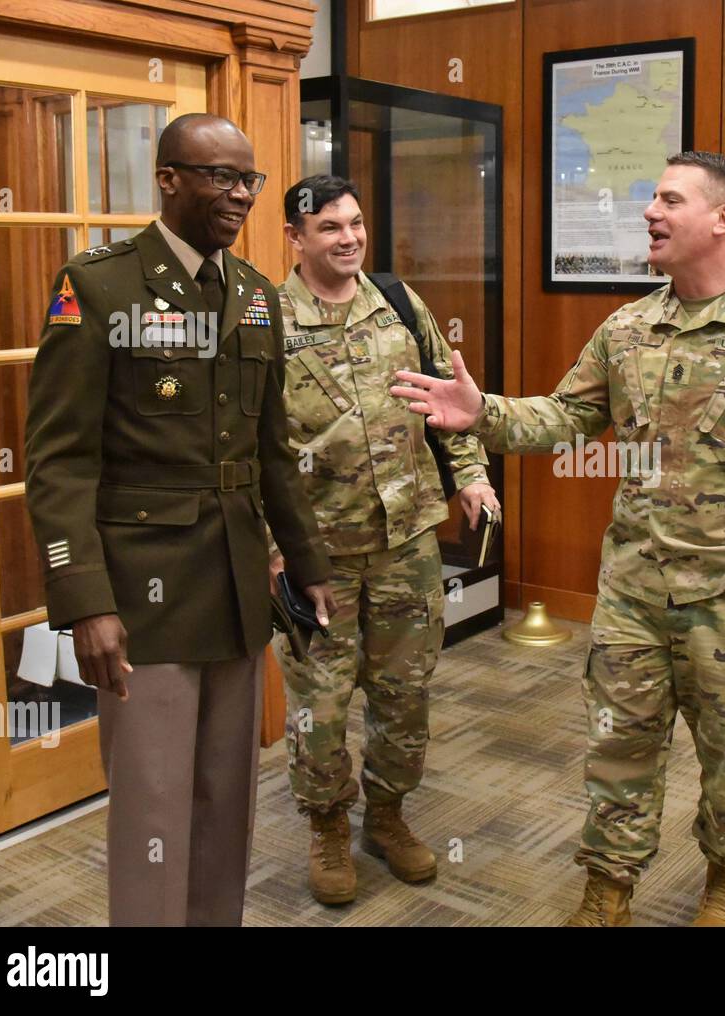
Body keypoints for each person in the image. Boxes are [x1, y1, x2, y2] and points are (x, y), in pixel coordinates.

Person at [392, 151, 725, 926]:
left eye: (668, 200)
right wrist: (479, 410)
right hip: (633, 592)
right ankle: (609, 890)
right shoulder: (627, 328)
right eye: (650, 199)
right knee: (619, 751)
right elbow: (564, 419)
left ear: (723, 219)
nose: (649, 213)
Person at [24, 113, 335, 926]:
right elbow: (59, 461)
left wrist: (309, 566)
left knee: (224, 798)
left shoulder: (258, 296)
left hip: (234, 589)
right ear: (167, 179)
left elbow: (273, 451)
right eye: (221, 177)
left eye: (250, 179)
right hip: (141, 599)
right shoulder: (98, 285)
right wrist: (84, 600)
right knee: (154, 806)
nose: (241, 195)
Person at [270, 175, 499, 904]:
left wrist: (472, 477)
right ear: (296, 238)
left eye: (356, 223)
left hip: (407, 543)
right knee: (322, 703)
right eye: (330, 227)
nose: (348, 237)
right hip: (316, 556)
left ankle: (388, 816)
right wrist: (267, 546)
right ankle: (329, 826)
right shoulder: (267, 320)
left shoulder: (397, 303)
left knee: (404, 695)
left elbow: (447, 397)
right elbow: (245, 442)